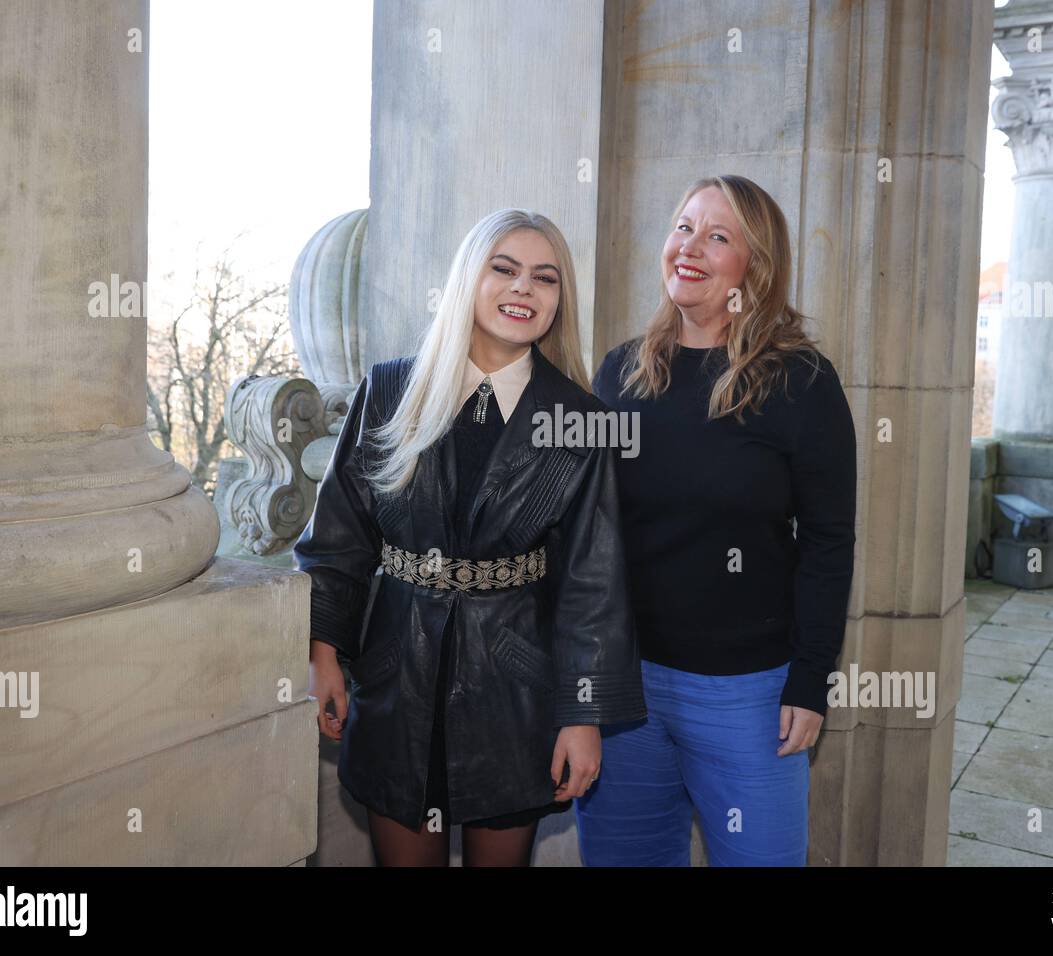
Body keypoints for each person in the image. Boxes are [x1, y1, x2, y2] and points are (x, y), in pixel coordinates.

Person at [293, 208, 645, 867]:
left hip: (517, 692)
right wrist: (322, 653)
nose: (523, 289)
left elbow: (592, 583)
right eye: (504, 269)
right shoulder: (390, 389)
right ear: (467, 280)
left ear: (559, 301)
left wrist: (583, 715)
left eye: (545, 278)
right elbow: (339, 538)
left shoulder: (581, 421)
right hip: (398, 676)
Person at [576, 174, 857, 867]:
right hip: (623, 689)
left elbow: (828, 541)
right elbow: (587, 532)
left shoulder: (801, 383)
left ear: (754, 268)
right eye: (683, 227)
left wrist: (810, 680)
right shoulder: (621, 374)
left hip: (748, 696)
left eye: (718, 235)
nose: (690, 247)